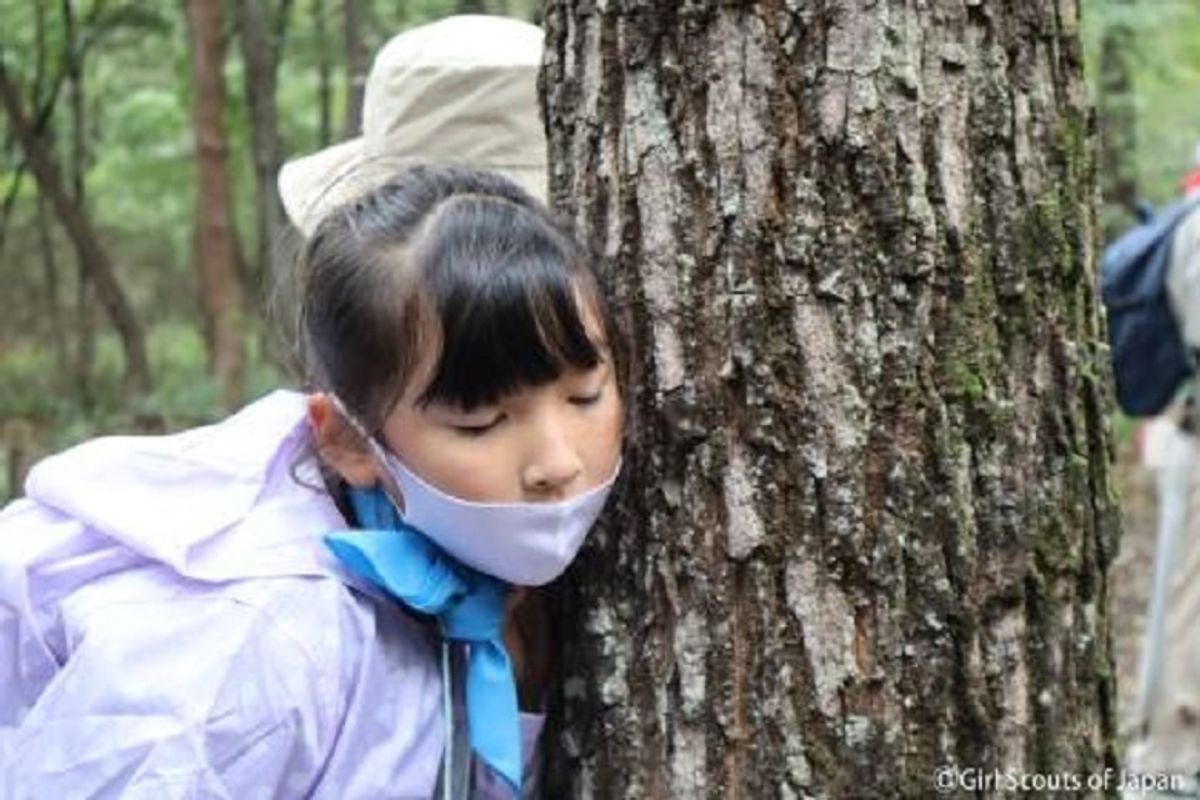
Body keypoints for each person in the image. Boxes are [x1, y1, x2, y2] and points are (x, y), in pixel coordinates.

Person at [0, 18, 625, 800]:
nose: (559, 462)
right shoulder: (253, 645)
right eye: (478, 420)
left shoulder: (484, 528)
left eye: (585, 394)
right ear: (349, 436)